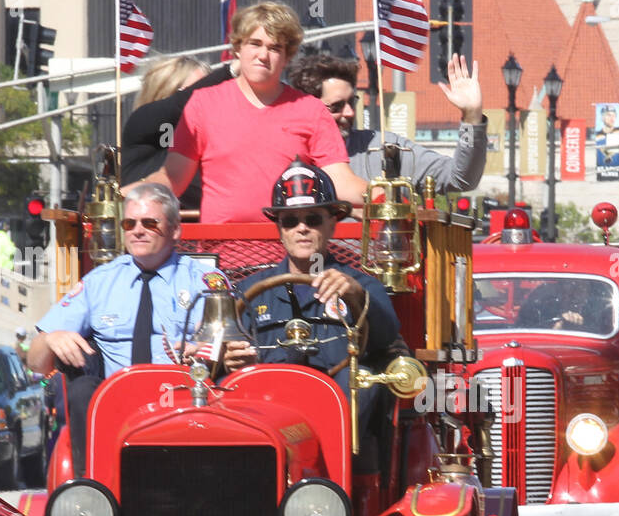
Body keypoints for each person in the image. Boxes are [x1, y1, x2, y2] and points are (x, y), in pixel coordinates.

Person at [28, 182, 222, 475]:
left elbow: (230, 346)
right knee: (81, 391)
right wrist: (52, 338)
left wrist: (206, 349)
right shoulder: (99, 283)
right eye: (129, 223)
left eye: (149, 223)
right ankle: (93, 493)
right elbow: (36, 363)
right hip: (116, 412)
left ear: (175, 230)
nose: (137, 230)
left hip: (187, 406)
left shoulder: (205, 281)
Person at [132, 1, 367, 222]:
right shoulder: (203, 103)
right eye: (255, 44)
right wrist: (132, 194)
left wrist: (386, 195)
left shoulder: (312, 110)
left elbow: (341, 182)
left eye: (274, 48)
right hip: (222, 255)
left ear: (287, 57)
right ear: (238, 48)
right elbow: (173, 178)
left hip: (290, 257)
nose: (263, 56)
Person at [227, 162, 399, 448]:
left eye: (313, 219)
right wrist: (228, 358)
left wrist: (355, 296)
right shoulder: (249, 292)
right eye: (290, 221)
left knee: (363, 380)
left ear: (333, 222)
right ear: (280, 229)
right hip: (265, 419)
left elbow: (387, 336)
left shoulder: (361, 284)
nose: (302, 228)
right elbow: (224, 354)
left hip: (338, 427)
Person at [289, 53, 487, 193]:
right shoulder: (285, 152)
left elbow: (461, 179)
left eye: (352, 102)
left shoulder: (385, 146)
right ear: (309, 108)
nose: (349, 113)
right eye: (336, 106)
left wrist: (471, 118)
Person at [121, 55, 232, 211]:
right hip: (147, 230)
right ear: (165, 91)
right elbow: (179, 104)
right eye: (198, 90)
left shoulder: (213, 136)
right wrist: (232, 70)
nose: (205, 99)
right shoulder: (142, 122)